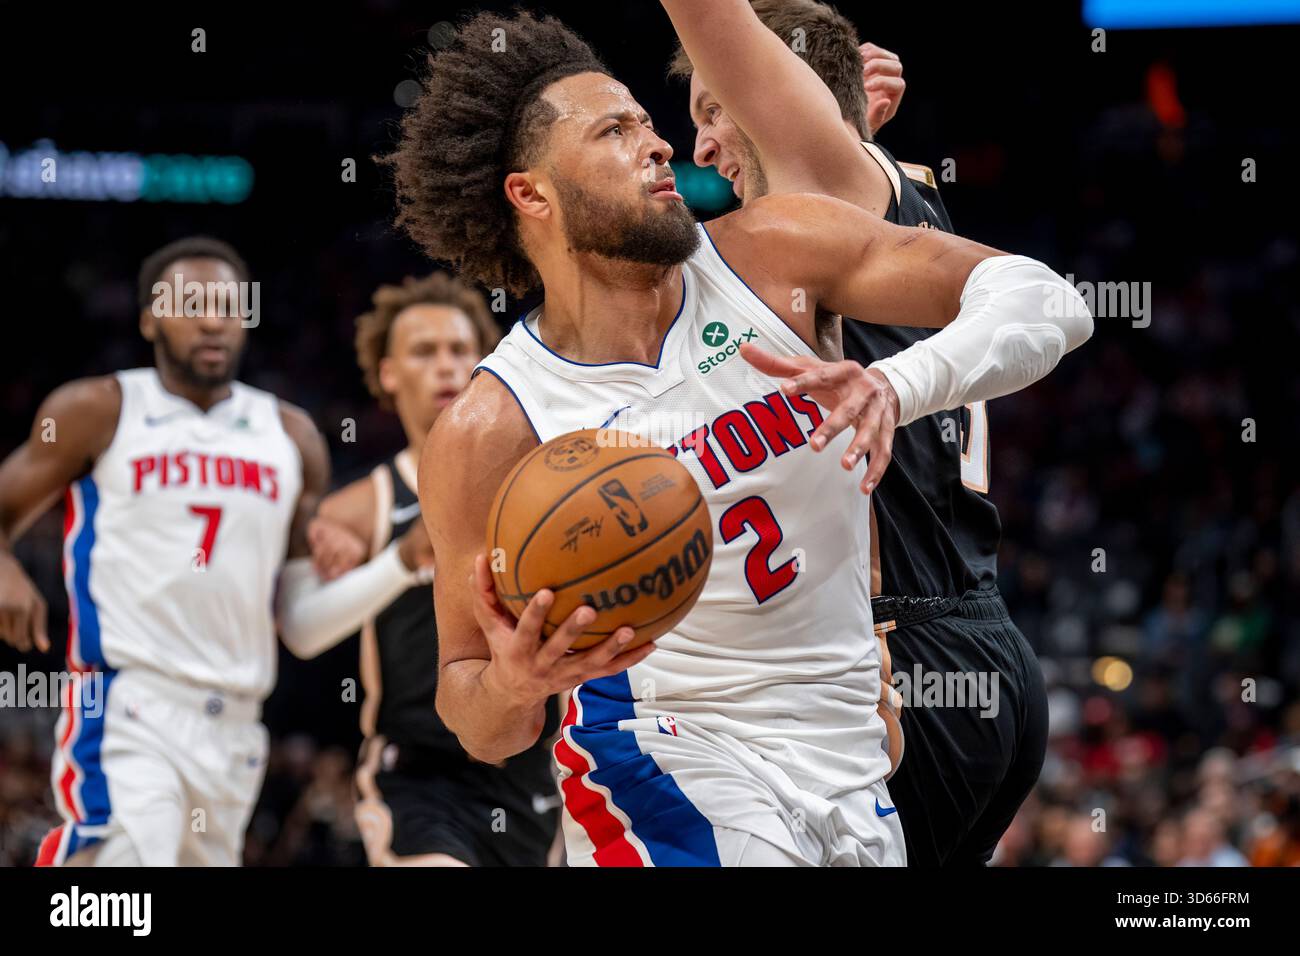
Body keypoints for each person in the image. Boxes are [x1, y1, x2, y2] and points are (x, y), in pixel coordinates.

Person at [385, 10, 1091, 866]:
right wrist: (514, 683)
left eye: (649, 122)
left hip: (850, 759)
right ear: (531, 194)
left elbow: (1049, 301)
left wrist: (890, 383)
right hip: (657, 754)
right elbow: (475, 717)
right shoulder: (493, 425)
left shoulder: (774, 254)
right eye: (615, 130)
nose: (656, 144)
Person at [663, 0, 1051, 864]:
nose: (698, 148)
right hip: (984, 646)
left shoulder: (825, 191)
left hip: (898, 661)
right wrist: (846, 112)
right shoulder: (888, 194)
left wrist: (815, 103)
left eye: (712, 110)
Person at [0, 237, 429, 866]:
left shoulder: (292, 435)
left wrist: (400, 563)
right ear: (149, 317)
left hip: (237, 729)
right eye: (189, 303)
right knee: (121, 875)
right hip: (129, 702)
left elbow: (302, 625)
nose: (212, 319)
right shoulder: (99, 409)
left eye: (229, 304)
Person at [306, 272, 562, 866]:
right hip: (421, 774)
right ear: (389, 374)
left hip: (538, 762)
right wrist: (392, 559)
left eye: (459, 350)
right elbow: (299, 628)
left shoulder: (543, 478)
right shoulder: (358, 506)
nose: (446, 366)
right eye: (424, 352)